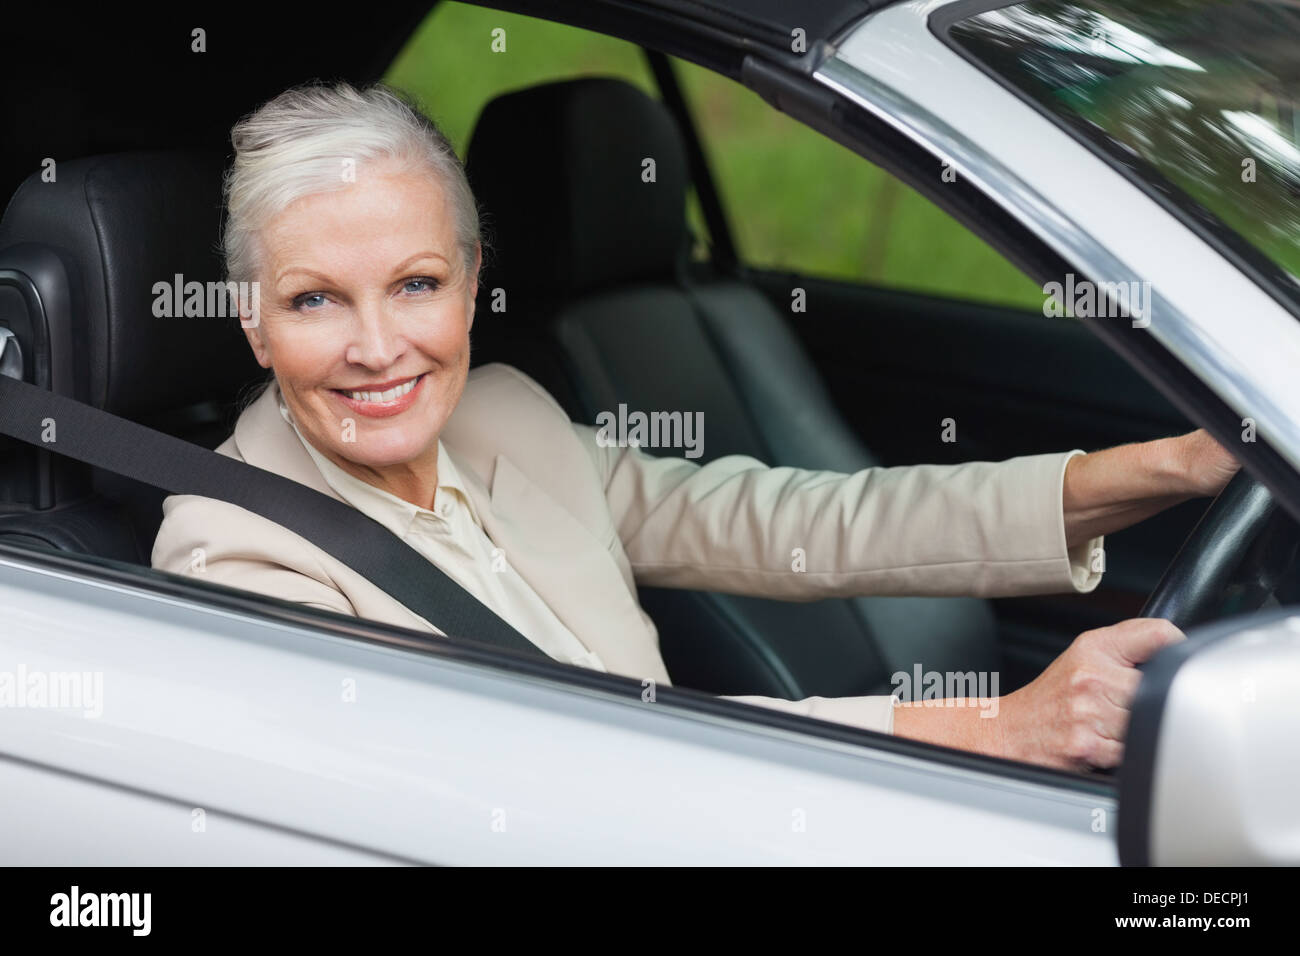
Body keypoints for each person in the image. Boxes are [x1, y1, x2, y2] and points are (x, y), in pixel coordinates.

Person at [152, 82, 1240, 771]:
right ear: (251, 321)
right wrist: (990, 727)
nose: (379, 346)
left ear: (474, 281)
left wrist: (1166, 465)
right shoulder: (233, 551)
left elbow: (801, 521)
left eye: (416, 283)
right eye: (313, 300)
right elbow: (555, 776)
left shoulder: (505, 414)